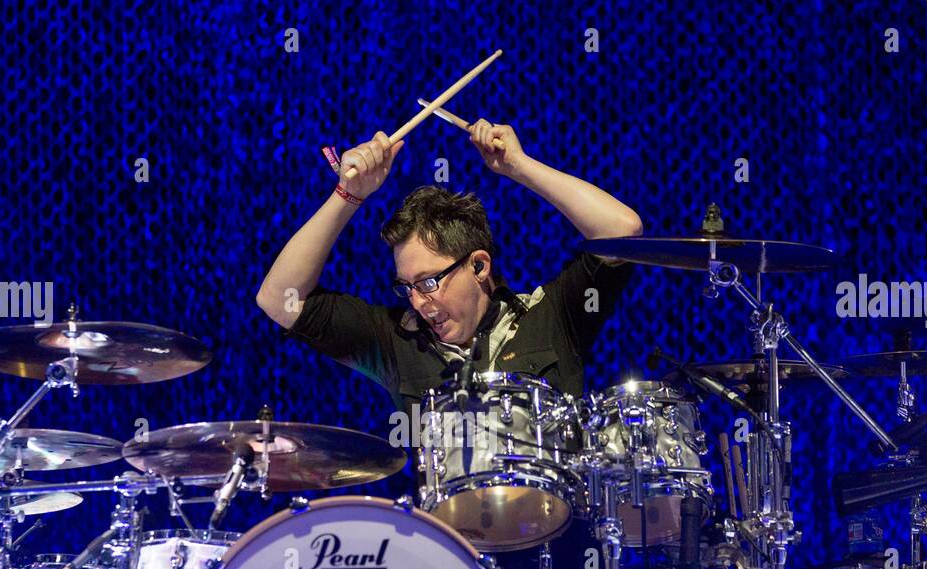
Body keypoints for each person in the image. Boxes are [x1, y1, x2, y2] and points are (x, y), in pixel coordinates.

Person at [255, 121, 644, 419]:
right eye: (406, 287)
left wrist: (519, 166)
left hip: (554, 521)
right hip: (445, 526)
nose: (418, 302)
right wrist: (348, 195)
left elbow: (623, 230)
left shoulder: (554, 316)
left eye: (427, 282)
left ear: (478, 265)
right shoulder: (394, 340)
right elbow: (278, 299)